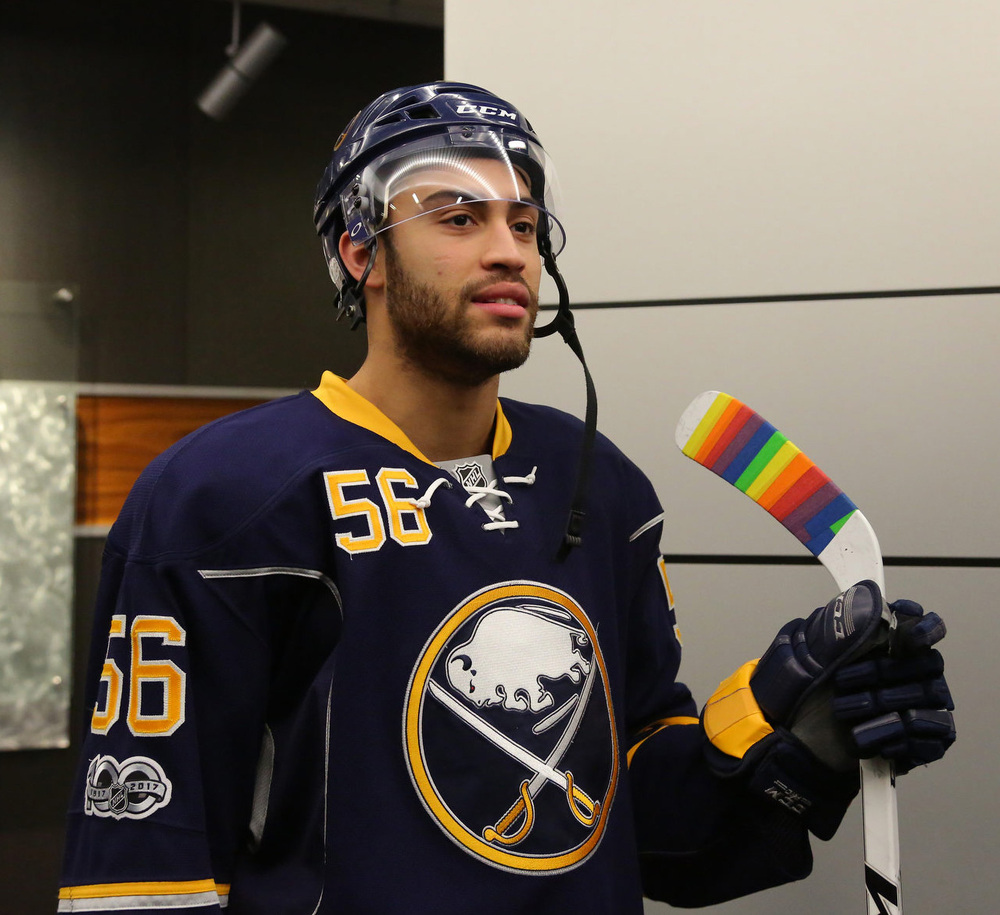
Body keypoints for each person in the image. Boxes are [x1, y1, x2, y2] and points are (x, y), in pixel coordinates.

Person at [58, 82, 955, 914]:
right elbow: (145, 861)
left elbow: (646, 829)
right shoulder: (221, 496)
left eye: (525, 224)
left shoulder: (598, 484)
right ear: (359, 249)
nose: (507, 250)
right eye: (459, 217)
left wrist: (791, 737)